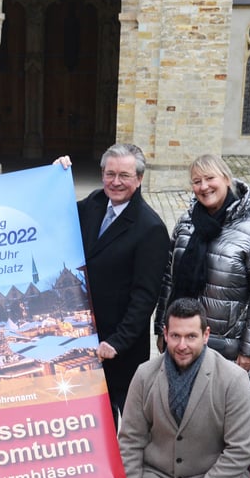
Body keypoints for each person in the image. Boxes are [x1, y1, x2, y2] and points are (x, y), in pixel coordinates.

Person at [114, 298, 250, 478]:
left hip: (214, 476)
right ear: (165, 335)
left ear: (206, 335)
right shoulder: (145, 374)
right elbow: (131, 440)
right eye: (176, 336)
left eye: (191, 336)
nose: (182, 345)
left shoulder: (233, 379)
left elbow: (241, 450)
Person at [56, 145, 169, 423]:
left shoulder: (150, 228)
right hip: (83, 337)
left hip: (118, 348)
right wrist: (55, 176)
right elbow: (54, 214)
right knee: (82, 417)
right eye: (110, 174)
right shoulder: (94, 203)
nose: (116, 182)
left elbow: (145, 297)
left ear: (139, 179)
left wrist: (117, 341)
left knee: (120, 423)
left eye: (124, 175)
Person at [154, 154, 250, 380]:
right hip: (181, 343)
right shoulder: (186, 223)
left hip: (227, 348)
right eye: (196, 181)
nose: (204, 186)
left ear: (227, 179)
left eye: (210, 178)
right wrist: (162, 327)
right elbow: (169, 279)